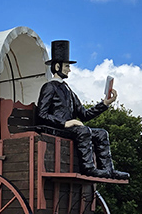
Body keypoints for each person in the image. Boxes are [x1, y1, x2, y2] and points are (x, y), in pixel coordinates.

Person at [37, 40, 129, 180]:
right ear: (57, 66)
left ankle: (108, 170)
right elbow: (41, 114)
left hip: (70, 129)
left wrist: (104, 103)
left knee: (101, 133)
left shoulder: (68, 90)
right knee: (83, 130)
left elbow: (84, 115)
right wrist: (64, 123)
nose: (69, 69)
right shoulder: (50, 87)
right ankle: (88, 168)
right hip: (57, 128)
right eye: (67, 66)